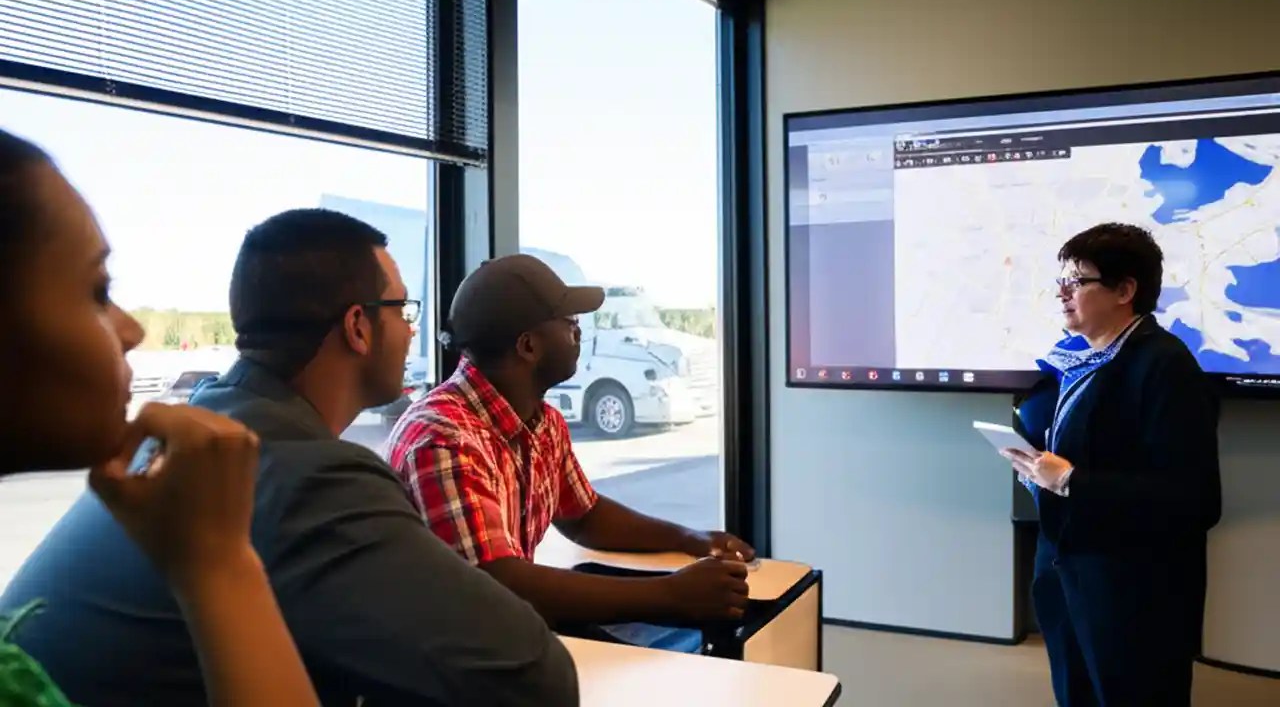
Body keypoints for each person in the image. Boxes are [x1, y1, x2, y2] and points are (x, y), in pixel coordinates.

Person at [2, 211, 579, 705]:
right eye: (403, 311)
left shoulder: (213, 428)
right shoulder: (307, 470)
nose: (411, 332)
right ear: (358, 326)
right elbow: (532, 676)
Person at [0, 129, 319, 705]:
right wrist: (220, 566)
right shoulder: (320, 468)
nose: (134, 330)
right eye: (99, 290)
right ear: (356, 325)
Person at [385, 254, 753, 653]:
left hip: (502, 636)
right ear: (528, 345)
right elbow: (496, 582)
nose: (579, 332)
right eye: (569, 322)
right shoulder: (444, 439)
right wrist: (670, 595)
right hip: (448, 665)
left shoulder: (542, 421)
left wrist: (688, 537)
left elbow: (586, 516)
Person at [1001, 223, 1221, 706]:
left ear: (1125, 290)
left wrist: (1073, 480)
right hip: (1069, 573)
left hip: (1131, 592)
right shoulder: (1085, 359)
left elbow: (1194, 499)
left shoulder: (1164, 366)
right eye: (1062, 278)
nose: (1062, 291)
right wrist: (1041, 475)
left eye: (1078, 280)